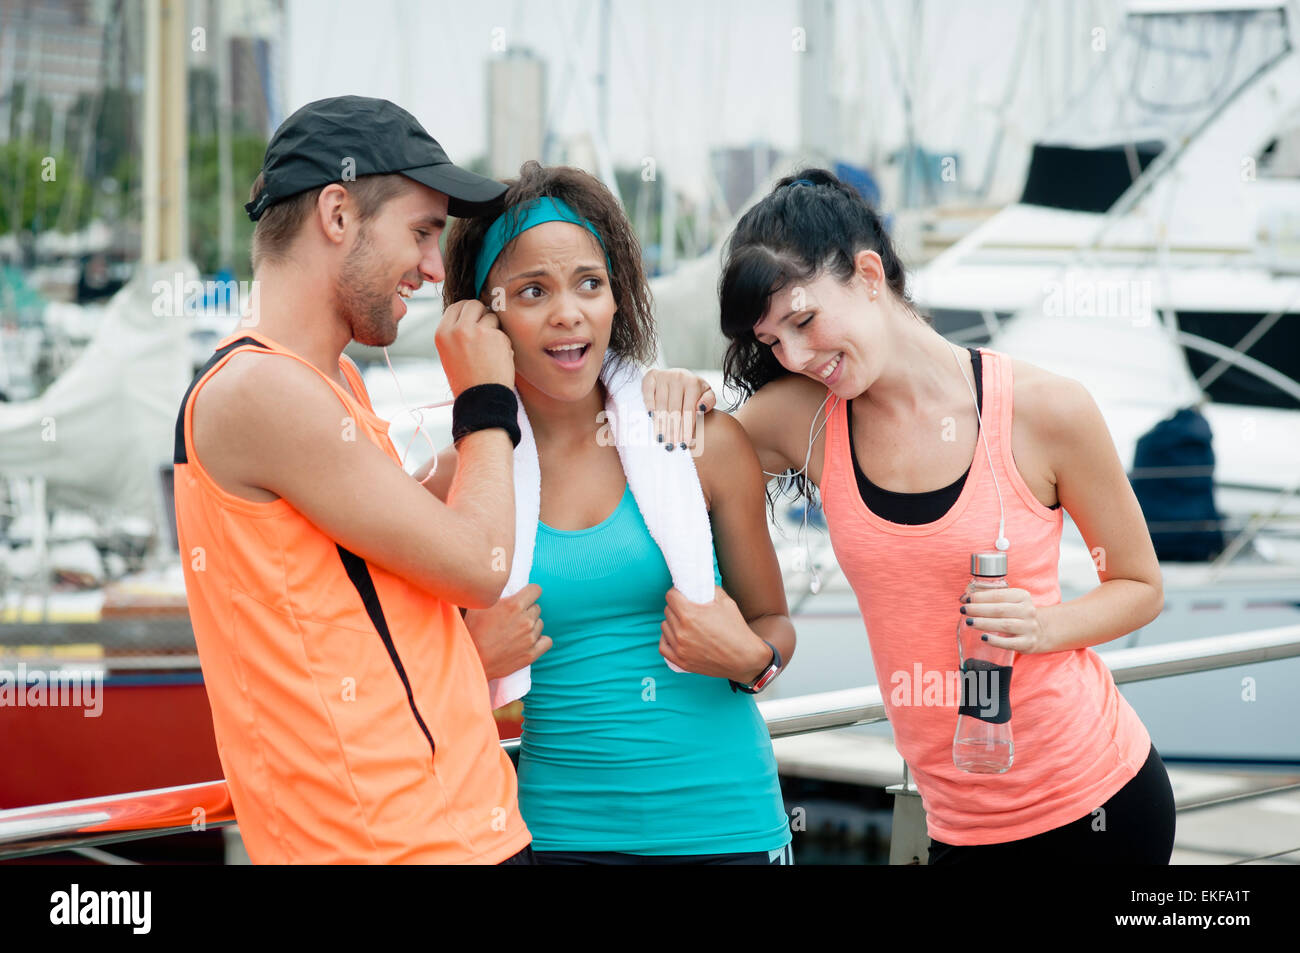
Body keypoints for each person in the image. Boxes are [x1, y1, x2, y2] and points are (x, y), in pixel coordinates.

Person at [645, 168, 1176, 864]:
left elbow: (1141, 586)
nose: (797, 357)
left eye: (804, 321)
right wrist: (673, 391)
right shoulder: (804, 420)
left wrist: (1044, 626)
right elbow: (678, 476)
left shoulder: (1046, 411)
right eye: (774, 342)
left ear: (869, 275)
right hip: (957, 825)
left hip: (1101, 802)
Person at [173, 96, 534, 864]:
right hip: (384, 848)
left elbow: (396, 549)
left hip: (460, 830)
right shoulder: (258, 392)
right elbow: (478, 565)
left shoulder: (328, 381)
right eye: (422, 232)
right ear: (338, 213)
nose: (435, 268)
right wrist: (486, 401)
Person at [415, 161, 796, 864]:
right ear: (484, 317)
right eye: (533, 291)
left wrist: (750, 656)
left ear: (618, 297)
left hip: (730, 829)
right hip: (557, 838)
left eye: (590, 283)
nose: (569, 312)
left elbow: (771, 624)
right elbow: (397, 681)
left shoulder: (699, 442)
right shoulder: (453, 481)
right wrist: (467, 662)